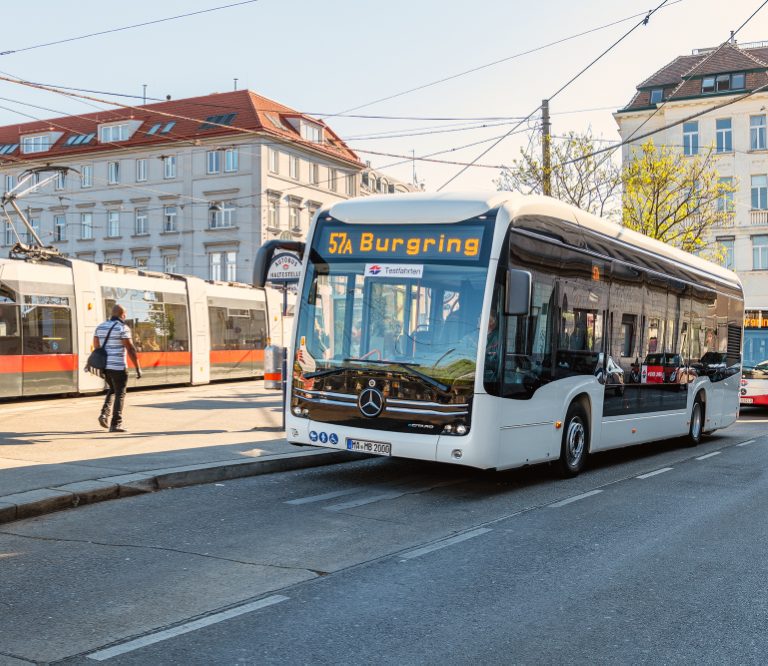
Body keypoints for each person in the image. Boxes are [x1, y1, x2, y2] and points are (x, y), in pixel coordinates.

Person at [93, 304, 142, 432]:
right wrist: (137, 367)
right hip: (118, 366)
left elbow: (96, 346)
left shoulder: (100, 327)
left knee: (113, 389)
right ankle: (116, 424)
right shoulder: (123, 328)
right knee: (120, 393)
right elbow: (130, 348)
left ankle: (104, 414)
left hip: (105, 366)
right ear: (123, 315)